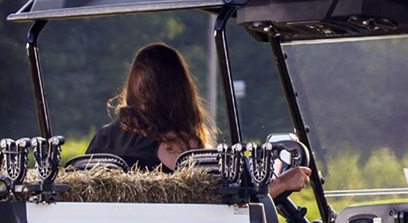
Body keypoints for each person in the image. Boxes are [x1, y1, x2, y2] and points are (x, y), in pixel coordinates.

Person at [89, 42, 311, 199]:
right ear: (181, 91)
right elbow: (231, 207)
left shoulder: (104, 140)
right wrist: (282, 183)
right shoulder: (184, 148)